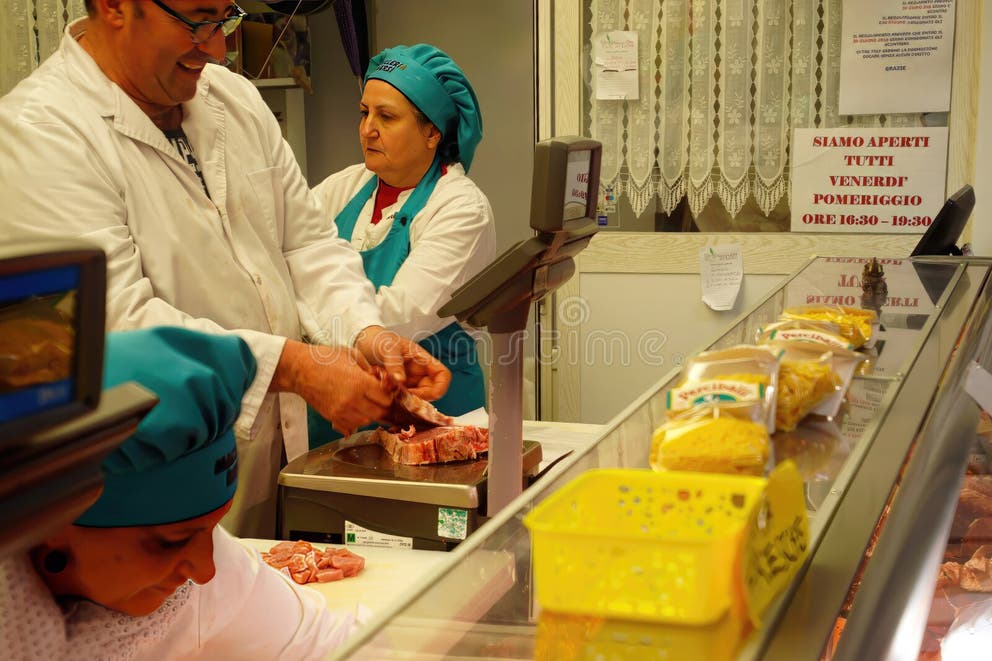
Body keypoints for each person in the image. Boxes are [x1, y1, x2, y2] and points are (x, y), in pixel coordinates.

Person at [0, 1, 450, 537]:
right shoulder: (40, 133)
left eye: (225, 18)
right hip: (155, 482)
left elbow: (305, 243)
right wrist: (297, 367)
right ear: (115, 7)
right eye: (196, 21)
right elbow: (115, 325)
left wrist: (362, 330)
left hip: (276, 450)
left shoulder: (231, 98)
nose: (215, 47)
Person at [0, 327, 355, 659]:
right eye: (170, 541)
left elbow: (329, 642)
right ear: (48, 524)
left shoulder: (193, 588)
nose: (205, 571)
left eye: (211, 529)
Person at [309, 44, 497, 448]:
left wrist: (296, 329)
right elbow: (286, 259)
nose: (367, 129)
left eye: (387, 117)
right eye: (364, 113)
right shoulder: (345, 187)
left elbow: (395, 317)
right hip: (340, 413)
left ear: (433, 132)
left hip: (431, 423)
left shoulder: (460, 207)